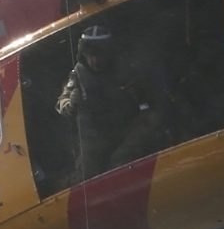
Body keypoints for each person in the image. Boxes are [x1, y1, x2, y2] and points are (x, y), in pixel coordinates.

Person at [58, 19, 155, 178]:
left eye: (100, 55)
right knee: (87, 177)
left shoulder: (125, 70)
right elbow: (61, 102)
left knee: (122, 163)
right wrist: (70, 104)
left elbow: (146, 98)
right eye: (91, 55)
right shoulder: (78, 76)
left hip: (125, 131)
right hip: (93, 139)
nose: (95, 60)